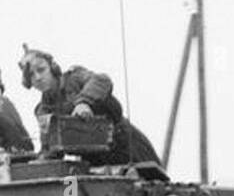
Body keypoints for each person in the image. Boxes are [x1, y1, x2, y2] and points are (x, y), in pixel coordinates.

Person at [18, 45, 163, 166]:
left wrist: (84, 103)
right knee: (73, 193)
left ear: (52, 68)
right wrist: (39, 161)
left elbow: (102, 80)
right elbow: (51, 149)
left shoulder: (75, 78)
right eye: (31, 75)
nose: (37, 77)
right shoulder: (43, 110)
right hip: (94, 162)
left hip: (127, 148)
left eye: (41, 70)